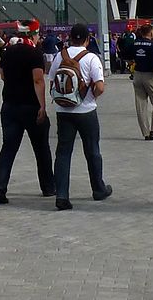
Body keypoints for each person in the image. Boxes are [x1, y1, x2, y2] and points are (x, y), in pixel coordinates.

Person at [48, 23, 111, 211]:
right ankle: (98, 188)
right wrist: (89, 96)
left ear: (69, 37)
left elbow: (52, 79)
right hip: (86, 111)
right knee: (92, 150)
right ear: (87, 39)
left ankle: (61, 195)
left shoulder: (60, 55)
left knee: (63, 152)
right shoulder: (91, 58)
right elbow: (99, 86)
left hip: (63, 111)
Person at [0, 32, 53, 203]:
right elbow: (38, 79)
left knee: (8, 148)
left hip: (9, 105)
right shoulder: (34, 53)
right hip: (30, 105)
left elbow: (2, 75)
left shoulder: (8, 51)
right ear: (32, 35)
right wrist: (42, 106)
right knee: (41, 148)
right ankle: (48, 187)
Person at [130, 24, 153, 140]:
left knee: (141, 105)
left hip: (137, 74)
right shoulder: (152, 45)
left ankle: (145, 133)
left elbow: (126, 54)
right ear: (150, 33)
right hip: (149, 76)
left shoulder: (135, 43)